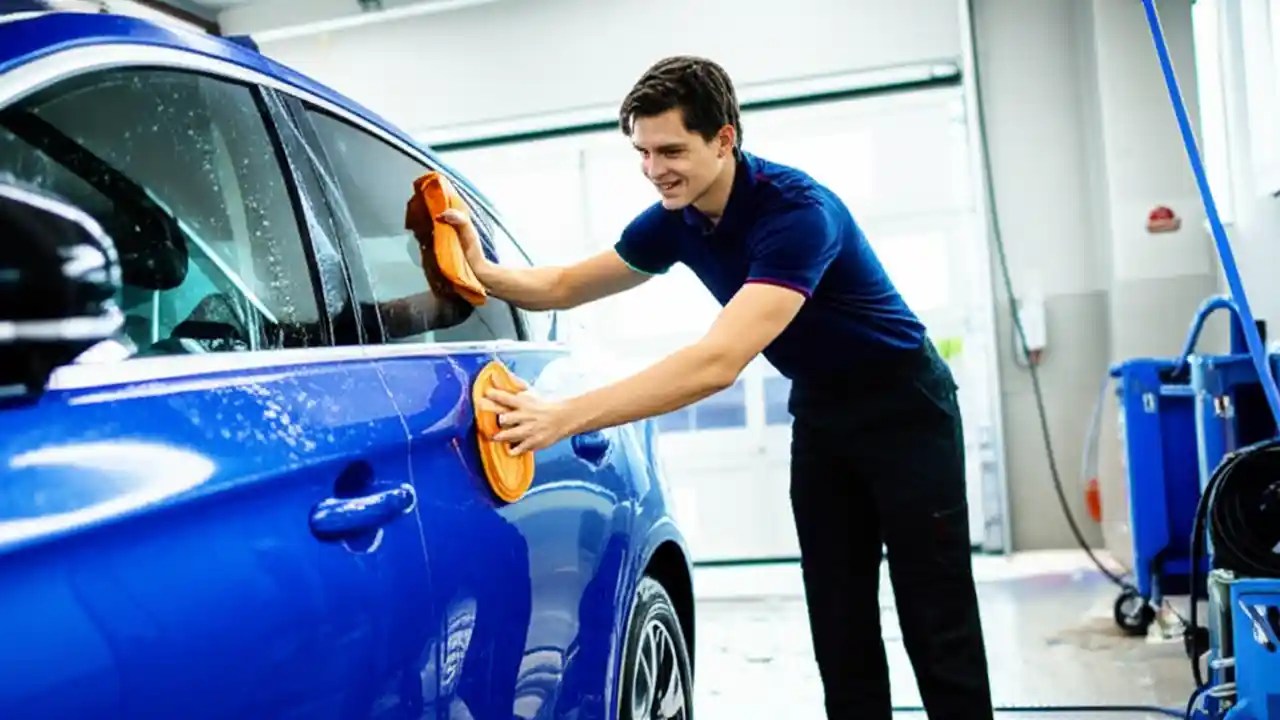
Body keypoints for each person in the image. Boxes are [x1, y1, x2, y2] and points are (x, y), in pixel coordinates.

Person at [438, 55, 994, 720]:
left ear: (724, 138)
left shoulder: (797, 214)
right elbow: (563, 285)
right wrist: (480, 267)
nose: (654, 169)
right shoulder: (675, 217)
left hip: (906, 407)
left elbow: (718, 361)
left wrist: (564, 417)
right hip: (821, 412)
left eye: (670, 149)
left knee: (936, 616)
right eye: (642, 152)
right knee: (838, 619)